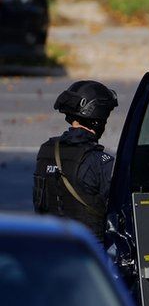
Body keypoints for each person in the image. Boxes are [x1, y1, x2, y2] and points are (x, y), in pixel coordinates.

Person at [33, 80, 118, 243]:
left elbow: (40, 204)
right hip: (87, 256)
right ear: (97, 119)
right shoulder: (99, 161)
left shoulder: (46, 151)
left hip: (51, 249)